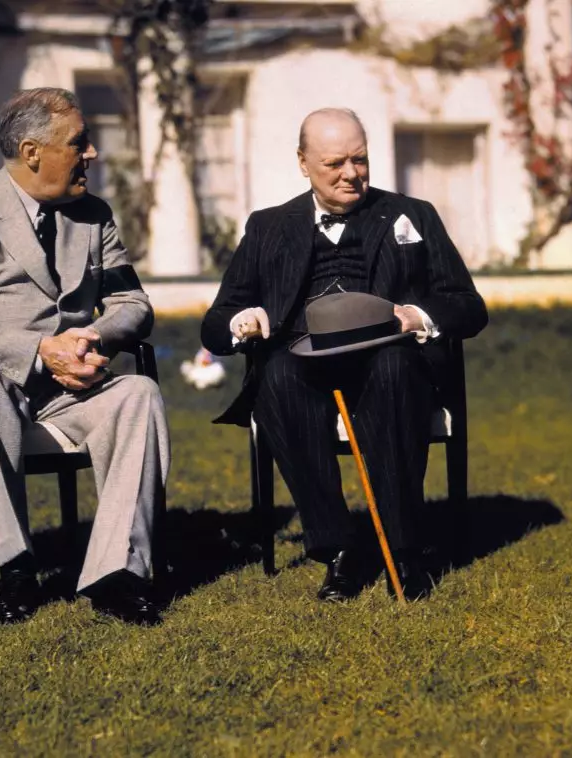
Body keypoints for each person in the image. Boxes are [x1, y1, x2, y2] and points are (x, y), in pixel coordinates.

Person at [200, 108, 488, 601]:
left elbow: (468, 305)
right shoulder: (269, 226)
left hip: (389, 359)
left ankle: (404, 550)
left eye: (360, 159)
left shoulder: (411, 215)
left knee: (394, 365)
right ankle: (339, 549)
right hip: (302, 362)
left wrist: (415, 316)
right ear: (303, 162)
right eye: (335, 163)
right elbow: (216, 319)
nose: (351, 174)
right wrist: (241, 320)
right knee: (276, 377)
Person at [0, 88, 169, 625]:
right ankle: (17, 569)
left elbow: (133, 304)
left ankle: (116, 574)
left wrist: (90, 340)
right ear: (33, 152)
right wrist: (37, 350)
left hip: (73, 387)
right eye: (80, 143)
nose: (92, 154)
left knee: (140, 393)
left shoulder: (93, 215)